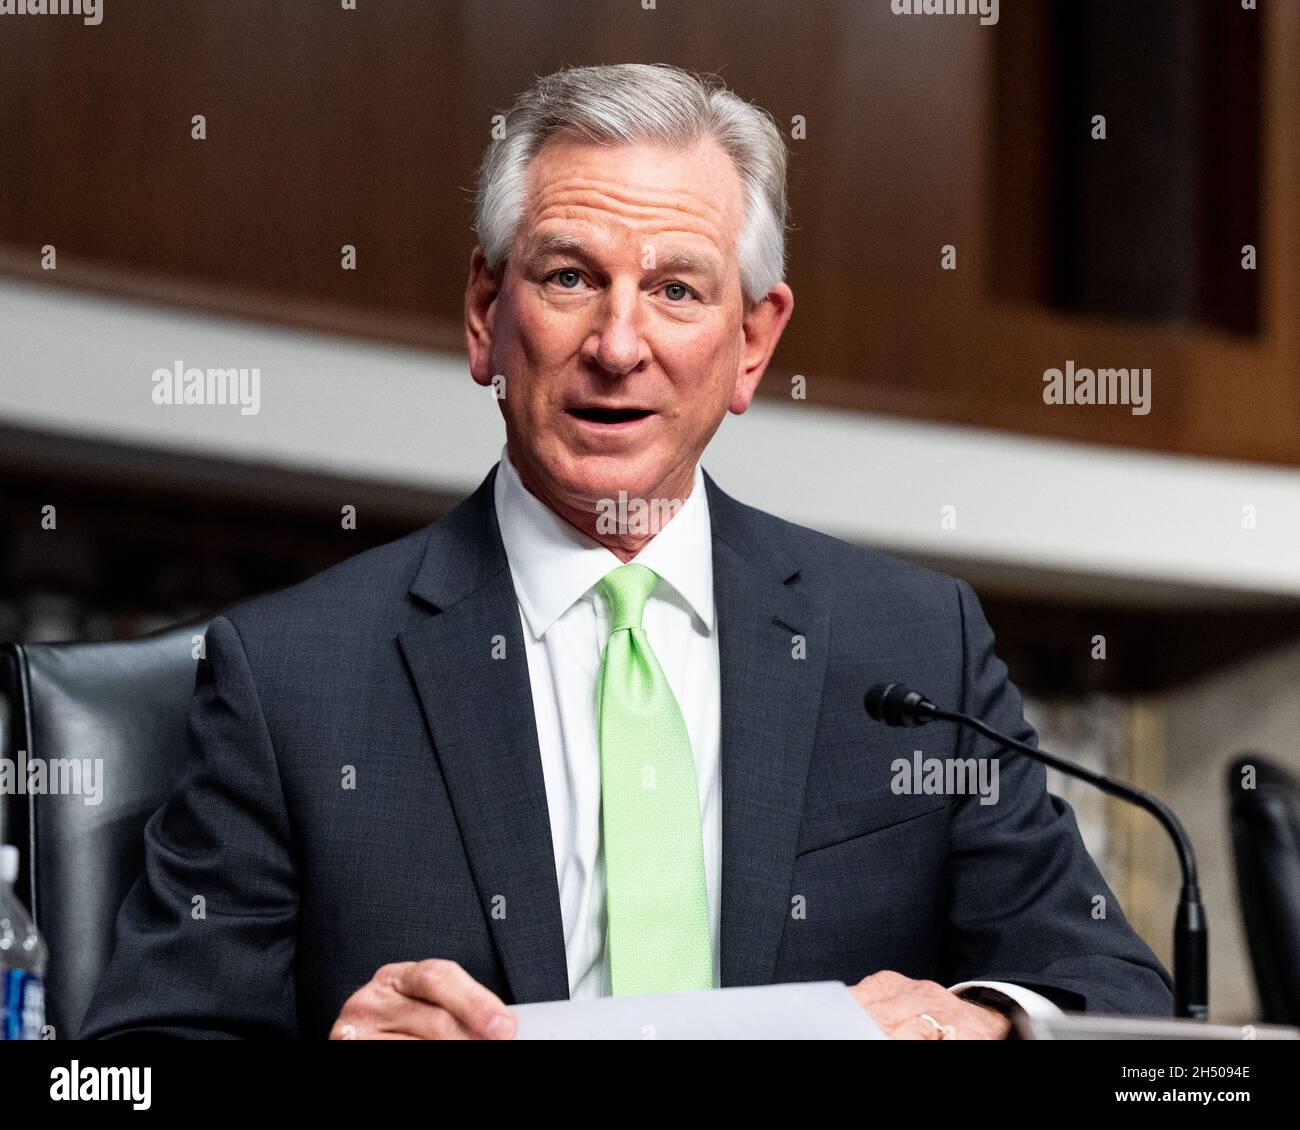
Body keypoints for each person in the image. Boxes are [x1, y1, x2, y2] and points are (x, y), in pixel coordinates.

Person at [82, 63, 1171, 1041]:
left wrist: (978, 1024)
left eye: (676, 289)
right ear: (483, 315)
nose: (616, 345)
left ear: (751, 345)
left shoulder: (914, 646)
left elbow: (1110, 988)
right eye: (567, 277)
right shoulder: (291, 677)